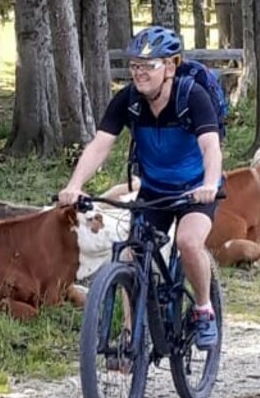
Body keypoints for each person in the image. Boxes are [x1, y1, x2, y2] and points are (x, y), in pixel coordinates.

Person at [57, 25, 224, 347]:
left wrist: (208, 184)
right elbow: (100, 145)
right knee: (130, 256)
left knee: (189, 242)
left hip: (195, 189)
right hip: (154, 190)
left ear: (171, 66)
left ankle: (203, 309)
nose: (140, 73)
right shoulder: (128, 100)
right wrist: (75, 185)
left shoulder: (192, 97)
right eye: (135, 66)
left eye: (149, 66)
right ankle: (132, 335)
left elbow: (211, 147)